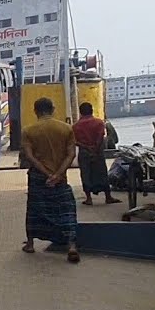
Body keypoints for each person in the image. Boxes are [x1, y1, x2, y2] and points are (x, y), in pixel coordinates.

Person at [21, 97, 80, 263]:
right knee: (66, 210)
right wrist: (57, 174)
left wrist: (47, 174)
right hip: (60, 177)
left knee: (35, 210)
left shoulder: (28, 131)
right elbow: (71, 154)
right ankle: (71, 246)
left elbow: (29, 156)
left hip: (39, 177)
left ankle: (30, 244)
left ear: (35, 111)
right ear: (53, 109)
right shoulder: (66, 128)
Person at [71, 102, 121, 206]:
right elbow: (100, 137)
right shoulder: (99, 123)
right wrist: (95, 149)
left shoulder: (75, 126)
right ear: (92, 110)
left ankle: (89, 198)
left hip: (84, 152)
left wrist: (87, 147)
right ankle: (108, 197)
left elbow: (75, 141)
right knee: (102, 173)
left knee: (86, 174)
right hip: (98, 151)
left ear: (80, 112)